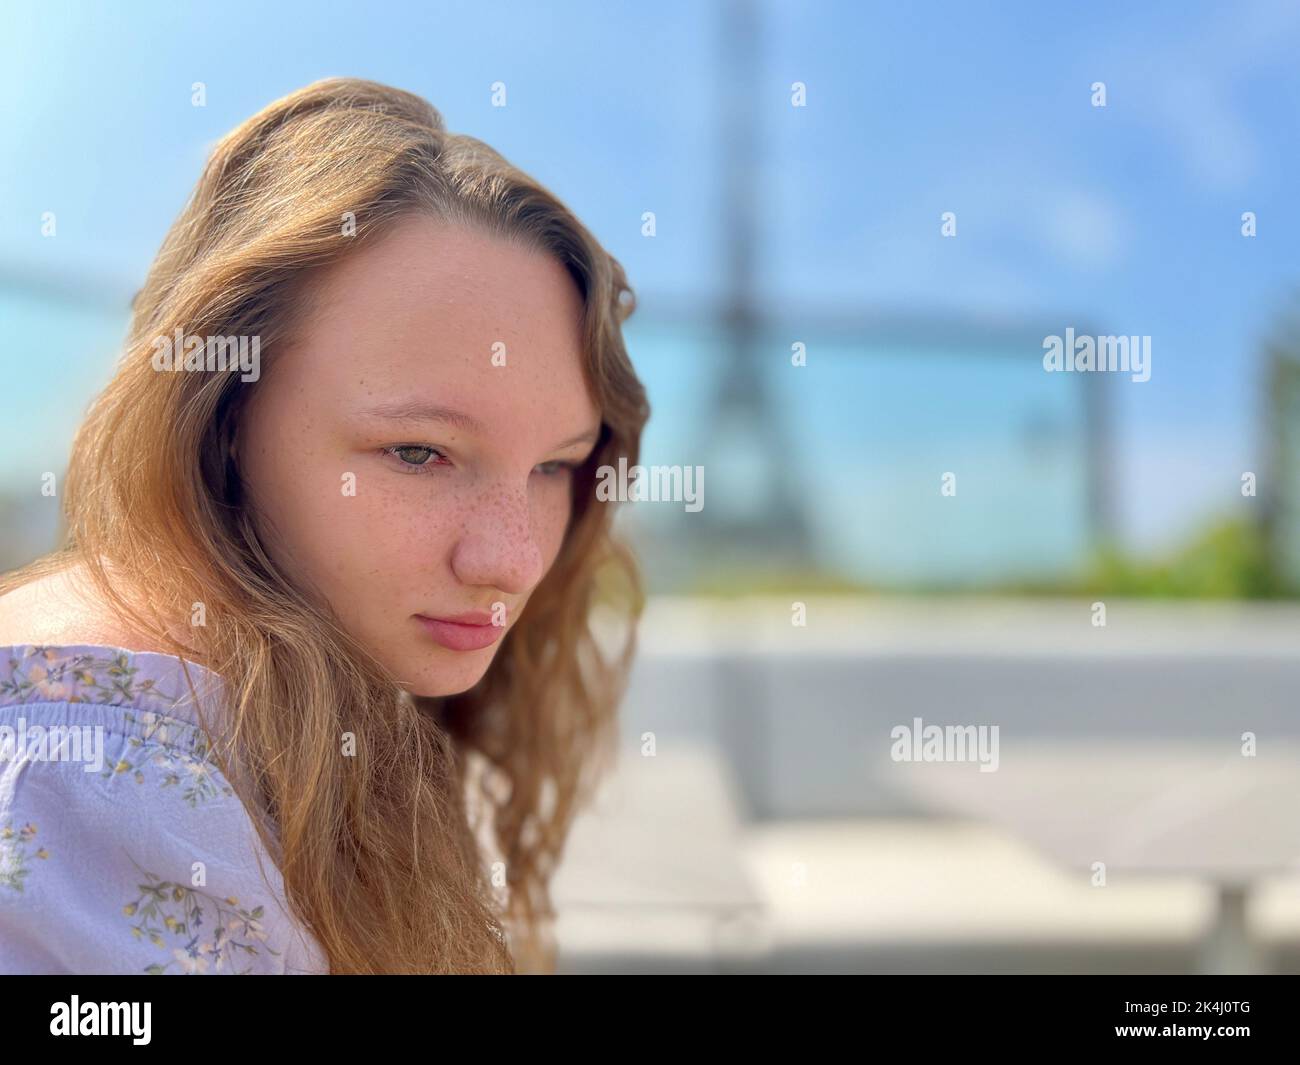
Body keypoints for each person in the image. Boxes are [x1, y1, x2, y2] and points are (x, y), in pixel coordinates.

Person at [0, 77, 650, 975]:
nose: (513, 559)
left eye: (554, 466)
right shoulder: (94, 775)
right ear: (222, 416)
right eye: (419, 452)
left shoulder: (309, 694)